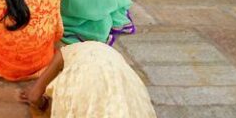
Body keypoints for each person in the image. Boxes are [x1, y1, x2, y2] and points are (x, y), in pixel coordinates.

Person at [19, 41, 157, 117]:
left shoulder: (65, 54)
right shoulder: (78, 53)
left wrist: (41, 101)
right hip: (120, 76)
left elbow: (34, 96)